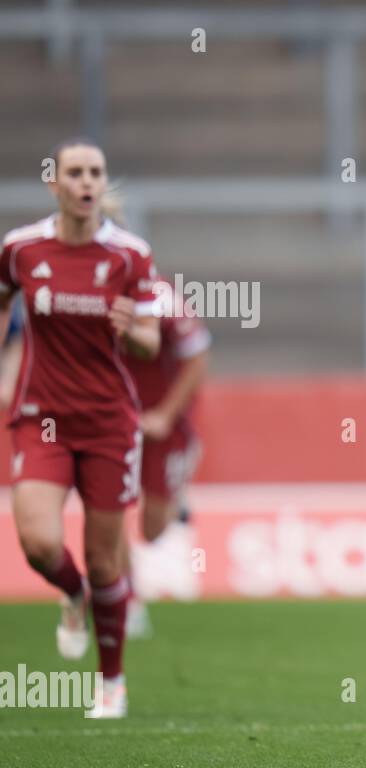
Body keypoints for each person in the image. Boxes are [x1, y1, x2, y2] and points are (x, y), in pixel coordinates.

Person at [0, 137, 162, 717]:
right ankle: (72, 596)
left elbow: (151, 339)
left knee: (104, 563)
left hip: (107, 423)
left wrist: (132, 329)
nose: (87, 181)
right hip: (40, 417)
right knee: (40, 543)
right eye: (75, 172)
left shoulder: (129, 256)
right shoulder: (21, 248)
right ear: (56, 183)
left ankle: (111, 683)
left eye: (95, 171)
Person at [119, 278, 210, 637]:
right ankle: (126, 599)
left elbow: (199, 355)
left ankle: (177, 503)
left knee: (152, 529)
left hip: (161, 426)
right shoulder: (81, 291)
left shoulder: (159, 297)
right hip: (111, 420)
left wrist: (166, 415)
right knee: (106, 513)